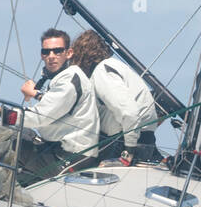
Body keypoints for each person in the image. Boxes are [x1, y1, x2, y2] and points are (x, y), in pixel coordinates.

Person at [0, 28, 100, 182]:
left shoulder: (69, 81)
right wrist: (36, 93)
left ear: (69, 53)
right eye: (46, 52)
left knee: (8, 142)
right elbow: (54, 107)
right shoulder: (66, 77)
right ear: (42, 55)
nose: (51, 56)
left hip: (69, 159)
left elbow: (38, 118)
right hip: (56, 150)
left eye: (57, 51)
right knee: (14, 131)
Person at [68, 30, 158, 163]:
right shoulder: (115, 66)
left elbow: (129, 112)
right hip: (144, 138)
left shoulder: (102, 72)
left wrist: (128, 152)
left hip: (127, 144)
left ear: (81, 55)